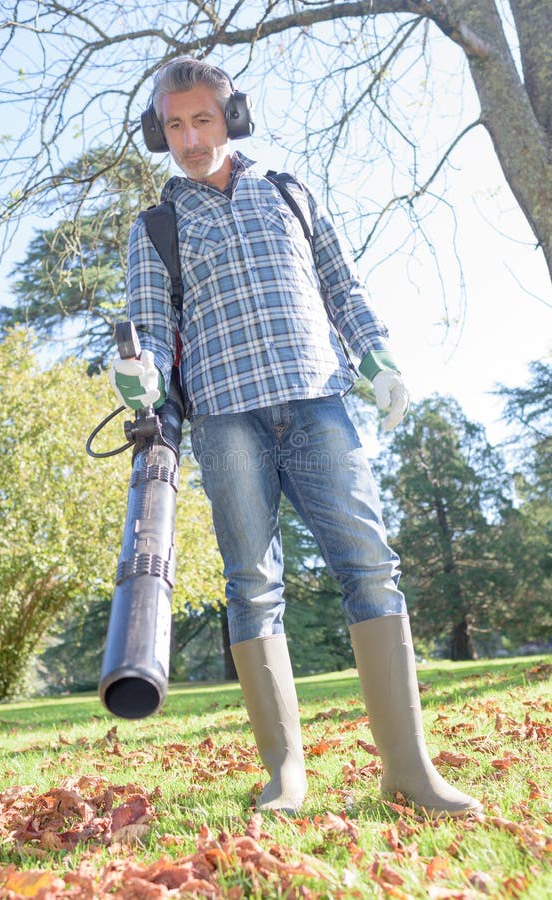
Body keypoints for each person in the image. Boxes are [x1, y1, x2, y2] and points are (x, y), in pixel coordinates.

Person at [109, 57, 482, 818]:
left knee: (370, 568)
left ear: (232, 117)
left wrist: (377, 358)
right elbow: (148, 327)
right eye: (174, 126)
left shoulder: (288, 193)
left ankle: (408, 771)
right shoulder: (155, 228)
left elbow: (341, 287)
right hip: (225, 417)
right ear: (158, 133)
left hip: (318, 400)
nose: (190, 139)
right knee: (252, 584)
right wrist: (138, 375)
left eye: (202, 119)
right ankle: (285, 775)